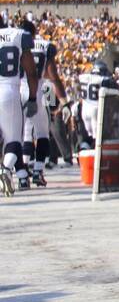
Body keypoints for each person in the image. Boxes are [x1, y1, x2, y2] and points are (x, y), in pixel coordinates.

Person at [18, 18, 68, 187]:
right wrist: (64, 102)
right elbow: (53, 76)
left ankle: (22, 172)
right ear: (34, 33)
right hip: (38, 89)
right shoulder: (44, 46)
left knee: (23, 133)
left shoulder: (13, 41)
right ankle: (38, 170)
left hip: (17, 89)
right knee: (42, 133)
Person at [0, 14, 40, 195]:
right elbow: (32, 73)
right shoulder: (17, 35)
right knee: (14, 140)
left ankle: (16, 172)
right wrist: (32, 98)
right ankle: (6, 169)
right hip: (9, 90)